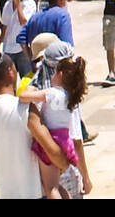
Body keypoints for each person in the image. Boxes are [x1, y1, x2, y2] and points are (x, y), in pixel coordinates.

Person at [0, 52, 59, 199]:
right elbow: (50, 149)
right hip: (35, 192)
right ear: (10, 72)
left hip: (8, 193)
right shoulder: (24, 108)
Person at [29, 46, 92, 198]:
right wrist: (86, 177)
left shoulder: (34, 91)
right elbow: (76, 141)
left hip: (38, 173)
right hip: (66, 171)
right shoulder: (66, 95)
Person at [0, 0, 35, 78]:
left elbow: (24, 22)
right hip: (9, 47)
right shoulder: (7, 4)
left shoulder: (29, 4)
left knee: (26, 78)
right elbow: (4, 25)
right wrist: (0, 43)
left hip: (22, 48)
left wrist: (18, 5)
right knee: (9, 79)